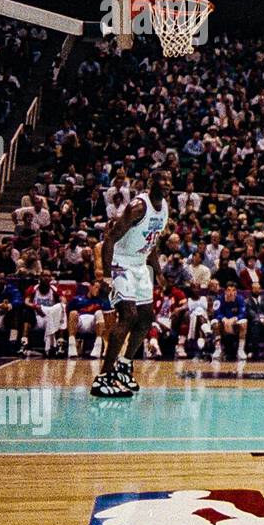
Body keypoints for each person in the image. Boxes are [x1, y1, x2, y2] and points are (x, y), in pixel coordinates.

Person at [93, 169, 172, 396]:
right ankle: (104, 377)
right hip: (121, 262)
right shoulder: (138, 207)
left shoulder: (164, 207)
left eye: (169, 180)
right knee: (128, 316)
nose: (167, 184)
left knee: (146, 318)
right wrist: (107, 275)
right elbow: (110, 239)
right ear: (151, 183)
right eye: (162, 180)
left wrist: (158, 272)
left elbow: (153, 241)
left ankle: (124, 366)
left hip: (141, 264)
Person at [211, 283, 249, 361]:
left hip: (234, 325)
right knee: (214, 323)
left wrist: (234, 319)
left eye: (233, 290)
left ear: (236, 292)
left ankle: (240, 350)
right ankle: (218, 349)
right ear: (225, 291)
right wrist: (223, 319)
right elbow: (216, 313)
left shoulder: (240, 299)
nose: (231, 293)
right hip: (223, 324)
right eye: (228, 290)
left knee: (244, 322)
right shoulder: (218, 299)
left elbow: (243, 313)